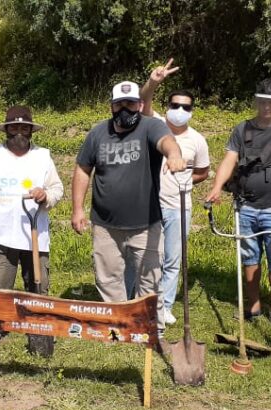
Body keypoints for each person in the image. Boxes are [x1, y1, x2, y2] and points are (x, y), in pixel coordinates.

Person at [71, 80, 186, 335]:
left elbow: (167, 142)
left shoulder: (150, 126)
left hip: (145, 223)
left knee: (150, 277)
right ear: (111, 106)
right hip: (104, 224)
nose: (126, 109)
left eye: (131, 103)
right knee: (108, 277)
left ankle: (149, 326)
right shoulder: (98, 134)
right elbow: (82, 169)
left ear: (140, 104)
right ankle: (119, 325)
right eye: (120, 104)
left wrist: (174, 155)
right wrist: (77, 209)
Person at [204, 79, 271, 324]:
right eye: (262, 101)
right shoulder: (242, 130)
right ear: (255, 101)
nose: (266, 107)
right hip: (246, 208)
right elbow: (229, 160)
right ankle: (253, 306)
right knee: (249, 257)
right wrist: (217, 188)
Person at [0, 106, 63, 350]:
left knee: (38, 283)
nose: (19, 132)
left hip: (34, 234)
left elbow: (57, 189)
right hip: (0, 232)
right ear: (6, 129)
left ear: (31, 131)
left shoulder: (42, 156)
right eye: (14, 127)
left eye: (24, 128)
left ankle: (38, 327)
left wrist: (45, 196)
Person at [140, 59, 210, 325]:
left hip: (179, 206)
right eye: (175, 105)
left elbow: (203, 171)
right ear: (167, 107)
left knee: (172, 259)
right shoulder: (154, 124)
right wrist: (153, 82)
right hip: (149, 203)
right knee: (148, 257)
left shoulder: (197, 140)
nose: (179, 110)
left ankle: (165, 305)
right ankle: (143, 301)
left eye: (185, 107)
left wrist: (186, 180)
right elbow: (144, 101)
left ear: (191, 111)